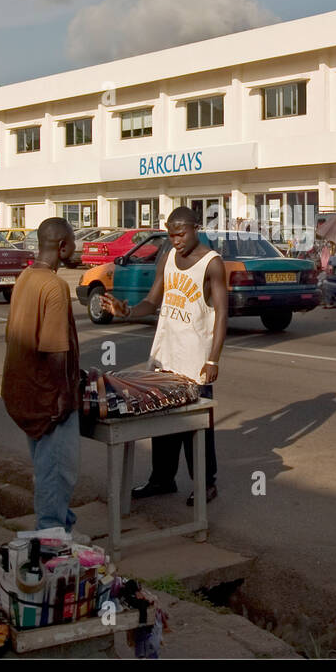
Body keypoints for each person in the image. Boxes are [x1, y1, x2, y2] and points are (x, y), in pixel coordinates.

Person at [102, 207, 229, 505]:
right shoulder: (168, 256)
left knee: (196, 427)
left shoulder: (212, 263)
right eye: (171, 234)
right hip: (165, 357)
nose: (176, 240)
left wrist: (213, 360)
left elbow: (223, 313)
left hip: (195, 361)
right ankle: (162, 479)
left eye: (181, 233)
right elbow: (151, 300)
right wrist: (128, 311)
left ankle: (206, 483)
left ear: (195, 228)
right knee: (162, 421)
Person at [1, 217, 81, 532]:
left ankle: (61, 526)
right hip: (47, 393)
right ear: (62, 246)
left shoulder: (25, 277)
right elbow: (55, 349)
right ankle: (52, 536)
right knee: (57, 471)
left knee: (46, 466)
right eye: (74, 242)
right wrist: (63, 394)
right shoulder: (55, 286)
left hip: (23, 391)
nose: (77, 247)